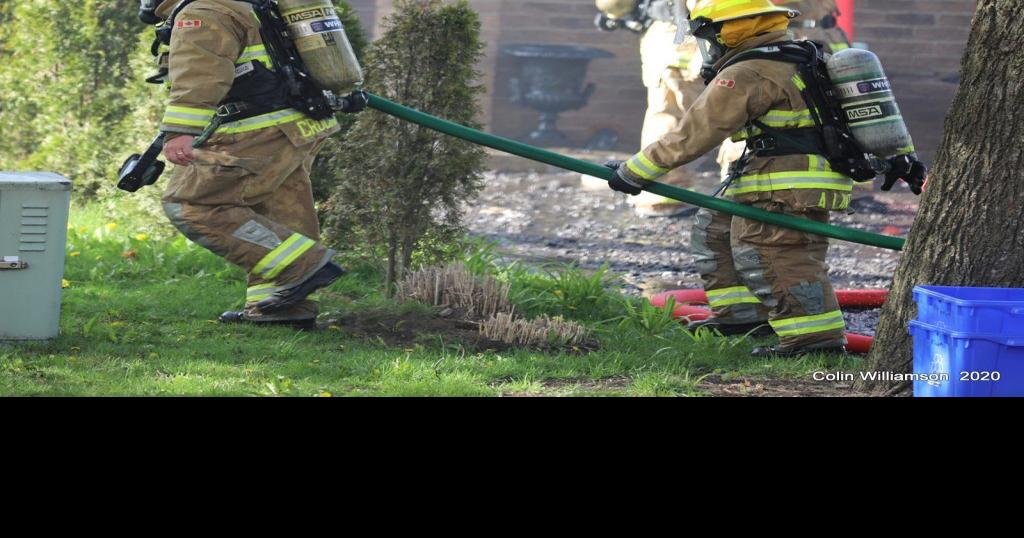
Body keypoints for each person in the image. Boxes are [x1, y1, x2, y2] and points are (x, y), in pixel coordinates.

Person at [604, 0, 924, 357]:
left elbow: (695, 133)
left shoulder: (748, 73)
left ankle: (815, 339)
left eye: (711, 37)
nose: (709, 46)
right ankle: (743, 316)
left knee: (775, 251)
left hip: (788, 182)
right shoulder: (795, 56)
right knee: (716, 227)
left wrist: (632, 173)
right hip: (779, 176)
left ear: (733, 32)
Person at [150, 0, 364, 329]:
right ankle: (279, 309)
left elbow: (200, 78)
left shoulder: (202, 12)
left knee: (191, 204)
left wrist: (180, 132)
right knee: (279, 210)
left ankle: (304, 266)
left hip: (257, 129)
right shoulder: (243, 3)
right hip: (296, 125)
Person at [594, 0, 702, 218]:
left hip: (673, 35)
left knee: (673, 116)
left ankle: (664, 193)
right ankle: (662, 196)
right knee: (673, 119)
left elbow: (613, 4)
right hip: (684, 37)